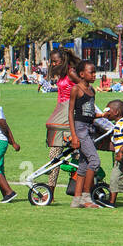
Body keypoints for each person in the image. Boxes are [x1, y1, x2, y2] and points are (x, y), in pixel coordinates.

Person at [67, 59, 106, 209]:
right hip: (80, 129)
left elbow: (89, 113)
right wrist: (74, 136)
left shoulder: (92, 91)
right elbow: (71, 113)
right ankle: (86, 197)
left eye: (95, 72)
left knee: (83, 164)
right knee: (94, 161)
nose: (95, 75)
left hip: (90, 128)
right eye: (92, 72)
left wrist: (102, 116)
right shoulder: (76, 89)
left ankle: (76, 200)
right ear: (82, 74)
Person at [44, 49, 81, 197]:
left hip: (70, 117)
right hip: (61, 116)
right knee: (55, 156)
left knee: (73, 156)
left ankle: (77, 190)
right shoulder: (63, 74)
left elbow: (86, 88)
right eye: (51, 61)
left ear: (63, 60)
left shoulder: (71, 73)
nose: (53, 64)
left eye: (55, 61)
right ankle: (50, 192)